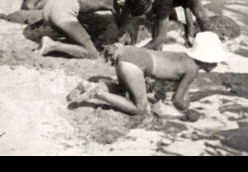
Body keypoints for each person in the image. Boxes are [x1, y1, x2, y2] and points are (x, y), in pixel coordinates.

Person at [70, 32, 225, 120]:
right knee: (140, 109)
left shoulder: (182, 57)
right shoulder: (193, 69)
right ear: (206, 58)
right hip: (135, 65)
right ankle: (98, 93)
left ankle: (87, 86)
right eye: (215, 61)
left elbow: (162, 74)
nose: (216, 64)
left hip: (128, 53)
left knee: (122, 89)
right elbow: (177, 100)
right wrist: (187, 111)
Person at [36, 0, 128, 59]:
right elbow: (120, 22)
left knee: (84, 30)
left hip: (50, 6)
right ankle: (52, 45)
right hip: (62, 11)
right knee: (92, 53)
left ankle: (64, 42)